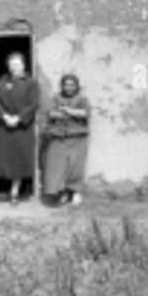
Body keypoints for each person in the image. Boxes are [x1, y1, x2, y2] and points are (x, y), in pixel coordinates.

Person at [0, 52, 39, 205]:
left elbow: (33, 104)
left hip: (22, 127)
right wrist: (4, 117)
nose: (14, 67)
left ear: (24, 65)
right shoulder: (2, 81)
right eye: (11, 64)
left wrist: (18, 118)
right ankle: (3, 188)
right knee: (5, 158)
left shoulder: (31, 83)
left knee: (19, 158)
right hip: (5, 126)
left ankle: (15, 191)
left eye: (17, 64)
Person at [42, 73, 91, 205]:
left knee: (76, 167)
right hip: (59, 136)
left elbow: (85, 113)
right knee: (57, 167)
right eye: (66, 84)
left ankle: (75, 192)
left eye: (72, 85)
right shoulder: (56, 98)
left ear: (76, 86)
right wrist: (71, 113)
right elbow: (51, 113)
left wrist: (67, 111)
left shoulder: (82, 99)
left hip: (77, 137)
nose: (69, 87)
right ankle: (61, 192)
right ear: (62, 86)